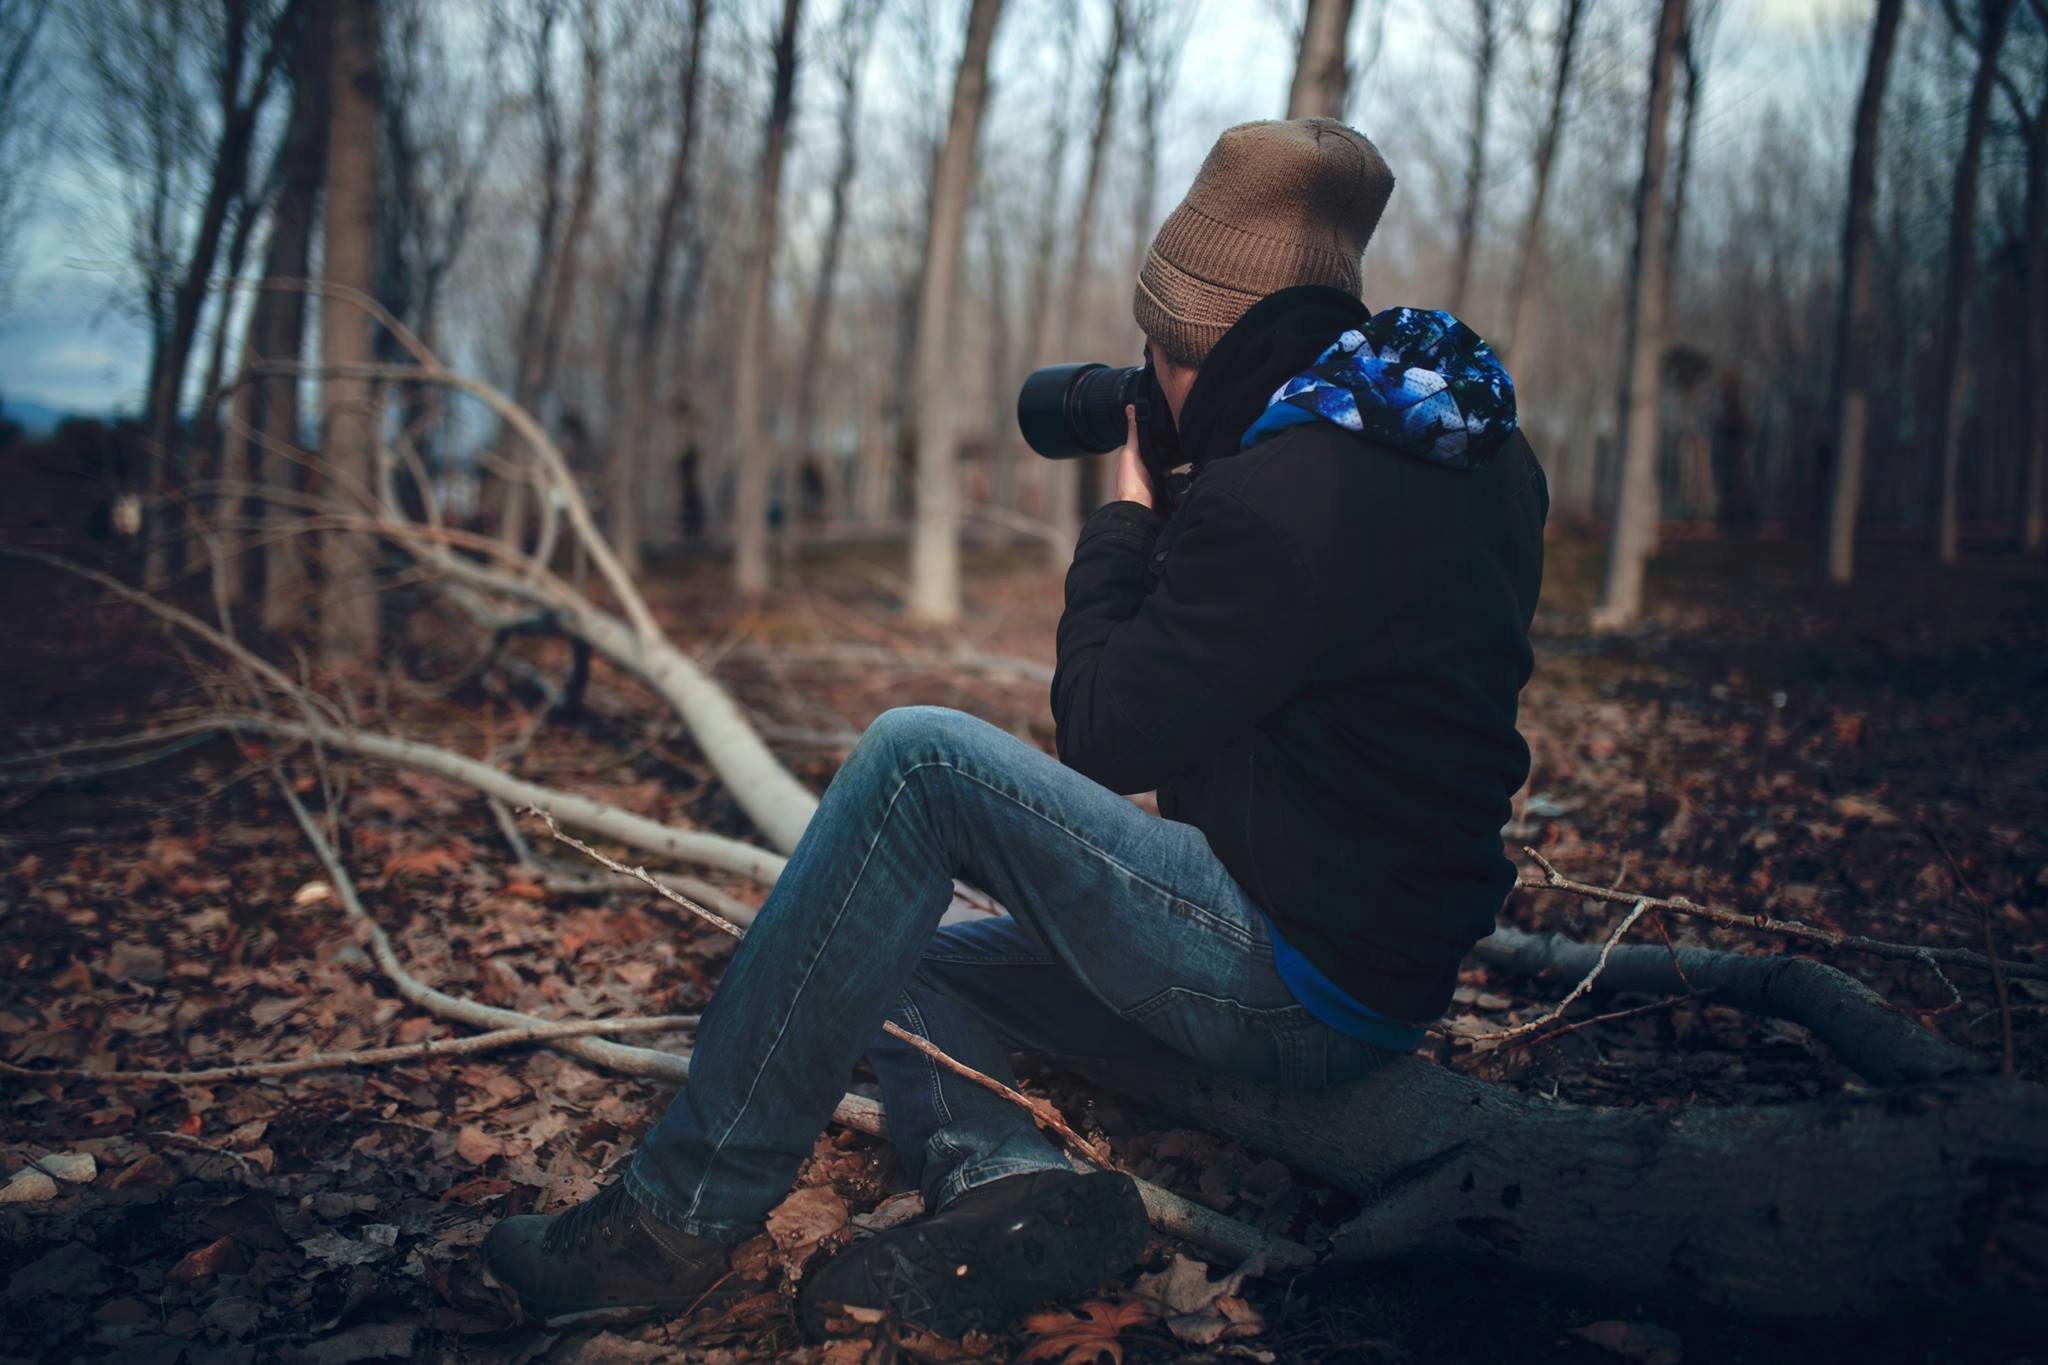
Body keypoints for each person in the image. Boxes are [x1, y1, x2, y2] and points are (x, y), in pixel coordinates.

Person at [482, 116, 1546, 1339]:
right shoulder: (1478, 460)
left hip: (1288, 973)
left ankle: (672, 1216)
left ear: (1203, 345)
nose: (1148, 381)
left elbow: (1102, 728)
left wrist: (1128, 518)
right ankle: (1006, 1183)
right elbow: (1314, 667)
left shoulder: (1270, 498)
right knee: (908, 961)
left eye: (1158, 353)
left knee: (915, 760)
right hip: (1388, 958)